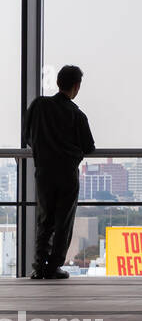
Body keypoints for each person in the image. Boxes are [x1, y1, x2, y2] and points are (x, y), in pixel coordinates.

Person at [22, 65, 95, 280]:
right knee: (63, 222)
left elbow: (27, 136)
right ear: (76, 86)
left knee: (45, 220)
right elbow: (89, 146)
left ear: (58, 82)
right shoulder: (77, 115)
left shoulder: (38, 106)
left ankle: (38, 266)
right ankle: (53, 267)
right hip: (67, 173)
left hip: (43, 171)